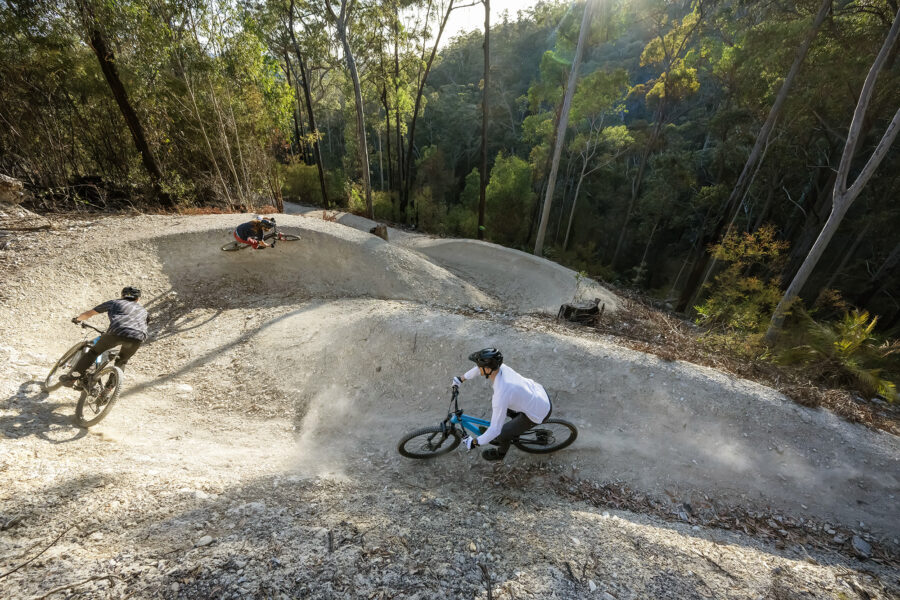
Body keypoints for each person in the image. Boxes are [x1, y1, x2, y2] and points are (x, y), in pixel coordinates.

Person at [452, 348, 552, 461]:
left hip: (539, 411)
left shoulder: (501, 394)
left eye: (479, 366)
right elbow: (479, 369)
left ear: (488, 369)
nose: (478, 368)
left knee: (503, 433)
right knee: (506, 416)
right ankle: (517, 428)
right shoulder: (501, 368)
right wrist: (461, 379)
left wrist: (474, 442)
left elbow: (495, 429)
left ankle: (500, 454)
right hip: (537, 393)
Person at [59, 286, 149, 386]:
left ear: (122, 295)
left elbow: (90, 313)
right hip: (138, 337)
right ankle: (108, 390)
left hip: (116, 333)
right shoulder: (144, 311)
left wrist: (77, 319)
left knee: (93, 353)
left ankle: (72, 378)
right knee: (122, 361)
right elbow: (145, 324)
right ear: (137, 299)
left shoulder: (115, 303)